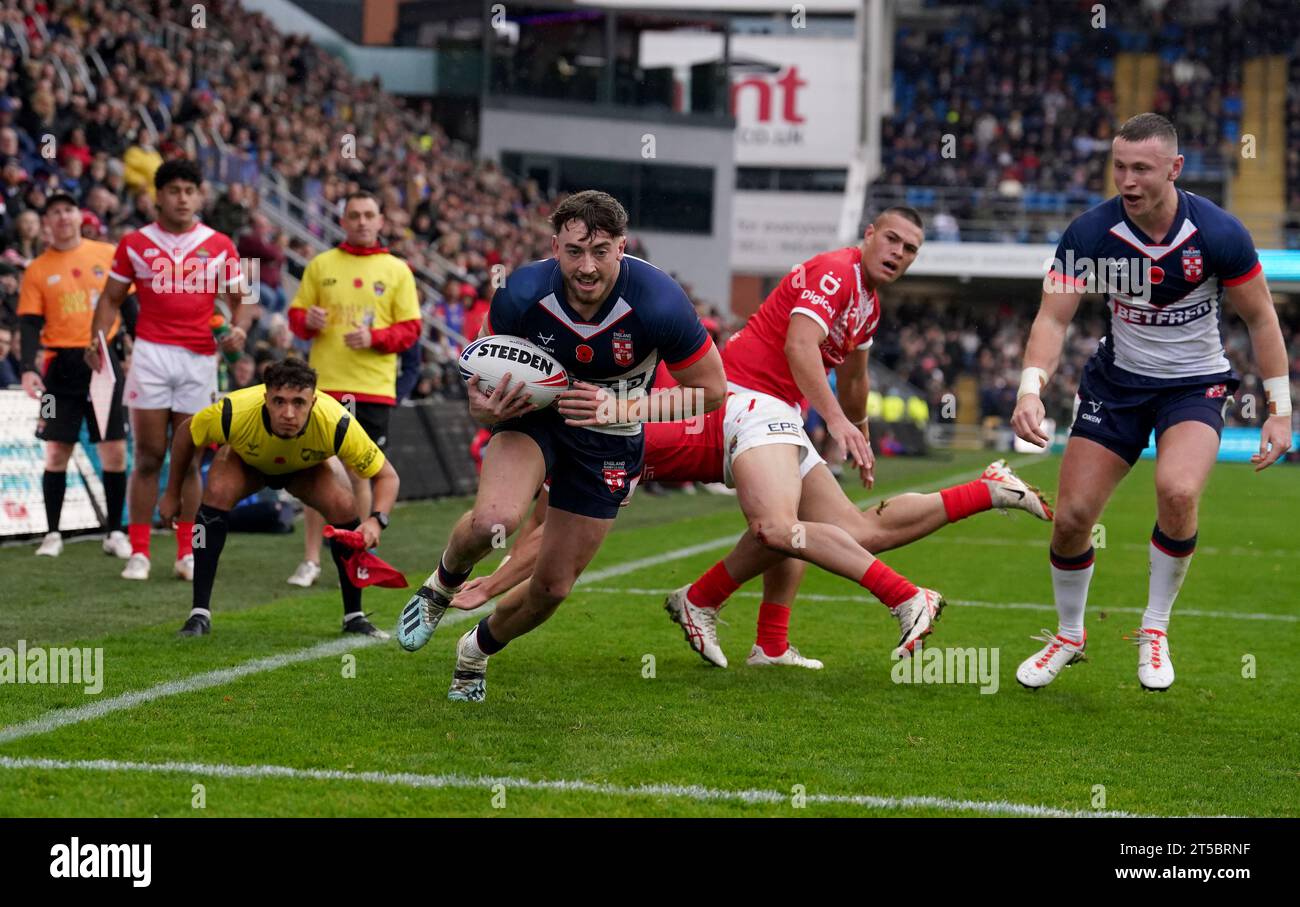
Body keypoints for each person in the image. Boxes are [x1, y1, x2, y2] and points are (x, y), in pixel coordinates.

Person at [396, 190, 727, 702]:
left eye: (600, 252)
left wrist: (621, 410)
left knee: (552, 588)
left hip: (611, 439)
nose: (587, 267)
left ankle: (474, 651)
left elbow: (710, 392)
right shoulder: (522, 291)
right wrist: (482, 408)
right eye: (574, 251)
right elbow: (479, 376)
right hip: (533, 417)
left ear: (622, 247)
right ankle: (442, 582)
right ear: (555, 247)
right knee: (495, 522)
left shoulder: (659, 301)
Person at [1009, 113, 1293, 691]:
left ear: (1175, 168)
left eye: (1142, 168)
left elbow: (1261, 317)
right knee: (1071, 520)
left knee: (1179, 491)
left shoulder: (1218, 233)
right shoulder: (1090, 234)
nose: (1128, 180)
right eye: (1120, 167)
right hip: (1116, 386)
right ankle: (1069, 635)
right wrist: (1030, 387)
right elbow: (1053, 316)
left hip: (1195, 386)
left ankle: (1155, 628)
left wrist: (1280, 410)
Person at [648, 208, 949, 670]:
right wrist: (835, 421)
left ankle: (764, 642)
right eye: (891, 239)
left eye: (910, 249)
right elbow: (799, 345)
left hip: (779, 410)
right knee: (779, 527)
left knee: (846, 531)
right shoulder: (836, 271)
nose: (898, 252)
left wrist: (860, 430)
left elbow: (854, 380)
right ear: (869, 235)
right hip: (751, 398)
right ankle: (906, 597)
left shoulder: (869, 304)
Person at [86, 158, 253, 582]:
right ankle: (139, 551)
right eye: (174, 190)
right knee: (147, 456)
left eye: (190, 191)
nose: (183, 198)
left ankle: (185, 553)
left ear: (199, 196)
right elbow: (109, 298)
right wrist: (97, 339)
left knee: (191, 459)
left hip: (199, 358)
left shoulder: (219, 244)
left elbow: (243, 300)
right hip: (150, 355)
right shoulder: (134, 243)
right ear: (157, 196)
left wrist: (238, 330)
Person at [159, 360, 398, 638]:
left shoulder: (336, 421)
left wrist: (376, 521)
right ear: (265, 398)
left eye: (299, 402)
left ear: (313, 401)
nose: (288, 413)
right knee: (217, 490)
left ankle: (354, 617)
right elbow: (186, 433)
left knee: (344, 505)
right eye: (279, 401)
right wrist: (172, 492)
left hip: (304, 470)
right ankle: (198, 614)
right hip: (247, 464)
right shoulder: (233, 411)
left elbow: (387, 476)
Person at [285, 190, 421, 588]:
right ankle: (310, 560)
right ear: (342, 221)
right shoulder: (321, 264)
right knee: (315, 470)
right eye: (354, 215)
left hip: (372, 389)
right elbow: (296, 319)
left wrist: (376, 338)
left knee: (363, 473)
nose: (362, 222)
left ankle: (360, 557)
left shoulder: (397, 270)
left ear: (381, 221)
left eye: (369, 215)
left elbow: (411, 331)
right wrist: (307, 320)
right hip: (323, 386)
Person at [17, 193, 131, 558]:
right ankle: (52, 533)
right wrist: (27, 368)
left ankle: (115, 531)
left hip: (104, 362)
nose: (62, 217)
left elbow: (127, 304)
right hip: (58, 370)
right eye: (54, 213)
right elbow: (30, 324)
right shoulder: (37, 269)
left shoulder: (107, 254)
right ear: (46, 223)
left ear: (79, 215)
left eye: (67, 210)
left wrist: (140, 349)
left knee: (113, 450)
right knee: (55, 451)